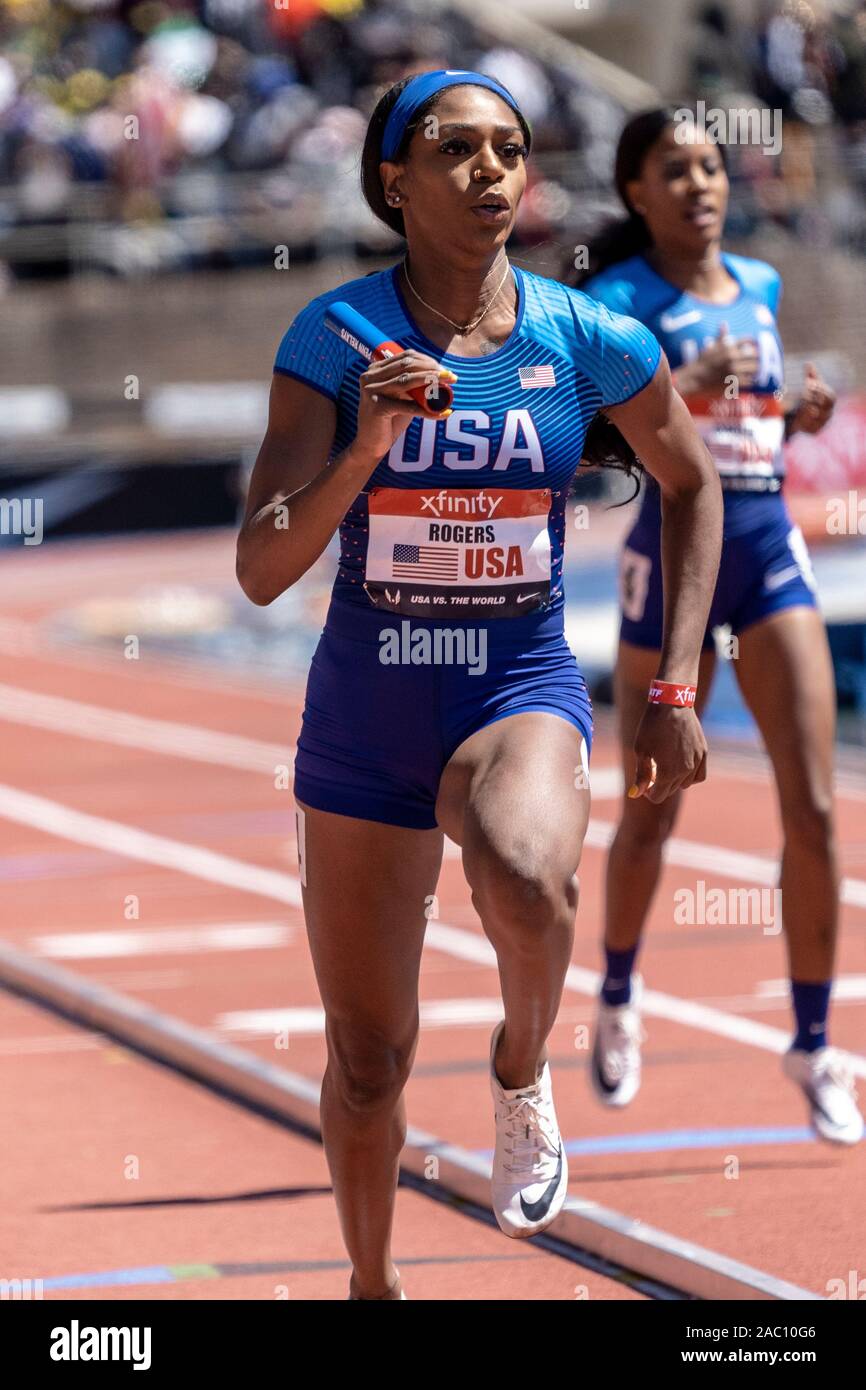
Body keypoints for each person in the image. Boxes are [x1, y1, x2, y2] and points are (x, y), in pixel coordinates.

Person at [236, 72, 722, 1301]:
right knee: (366, 1063)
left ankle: (518, 1068)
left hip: (515, 685)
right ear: (394, 179)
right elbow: (262, 562)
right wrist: (366, 450)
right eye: (456, 150)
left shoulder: (587, 336)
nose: (492, 172)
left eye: (509, 149)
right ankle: (371, 1281)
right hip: (364, 716)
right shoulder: (334, 338)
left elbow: (694, 482)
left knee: (524, 869)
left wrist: (671, 683)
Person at [574, 105, 862, 1145]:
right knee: (650, 809)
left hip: (766, 545)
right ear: (635, 193)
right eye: (674, 170)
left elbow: (760, 413)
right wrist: (682, 385)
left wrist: (798, 413)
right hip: (670, 562)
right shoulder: (615, 302)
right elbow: (591, 436)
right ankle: (614, 992)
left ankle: (814, 1040)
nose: (700, 184)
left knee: (816, 811)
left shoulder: (762, 286)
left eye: (709, 166)